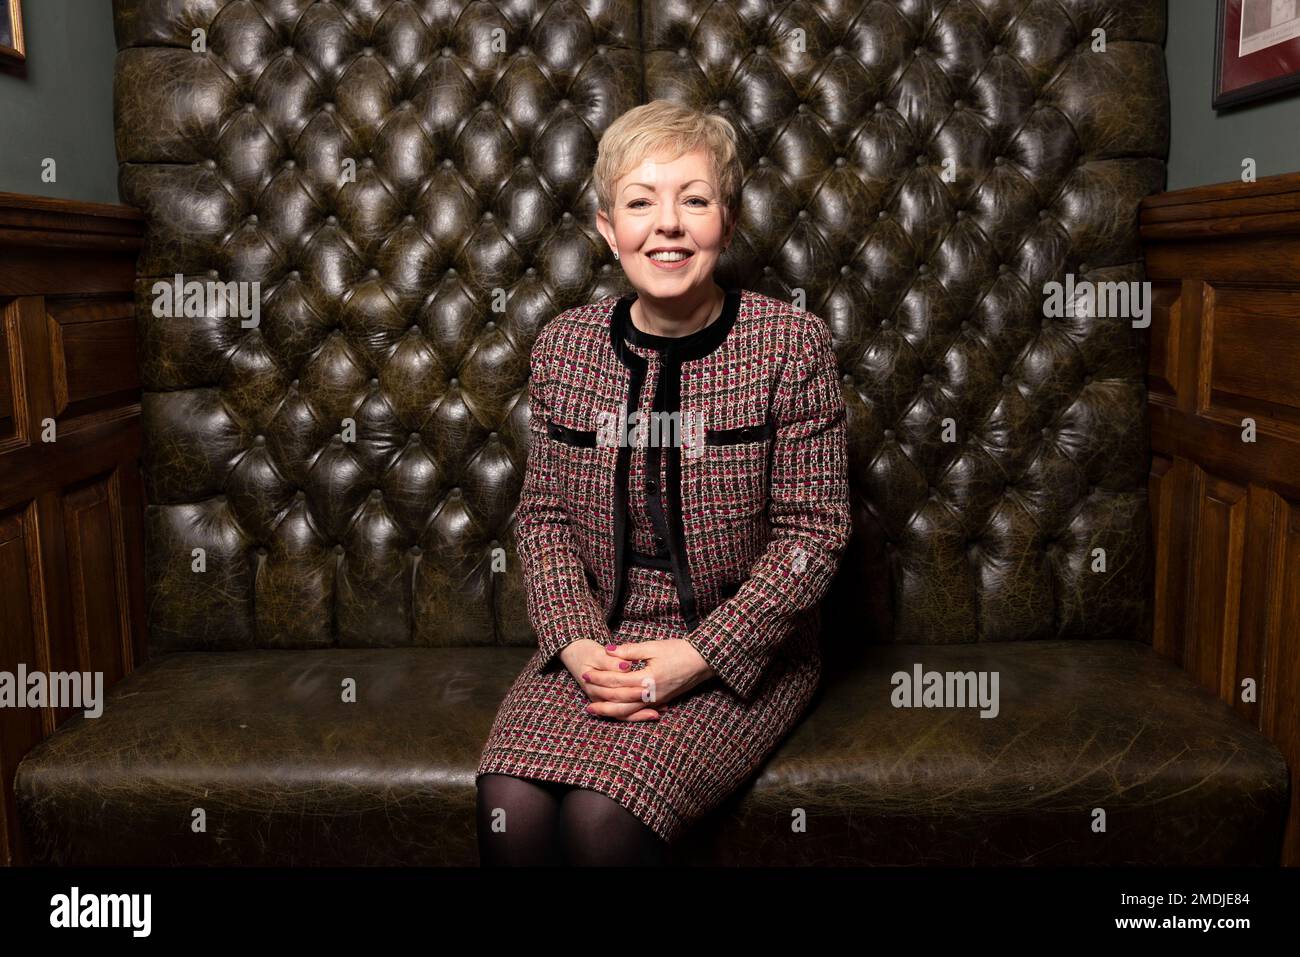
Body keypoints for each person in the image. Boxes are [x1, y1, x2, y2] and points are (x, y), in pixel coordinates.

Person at [474, 99, 851, 866]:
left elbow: (814, 536)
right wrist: (577, 644)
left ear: (729, 220)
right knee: (508, 805)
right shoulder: (564, 347)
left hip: (741, 652)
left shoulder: (790, 345)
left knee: (601, 819)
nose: (668, 224)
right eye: (641, 202)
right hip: (594, 644)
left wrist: (697, 656)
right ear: (609, 229)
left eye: (695, 200)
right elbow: (542, 518)